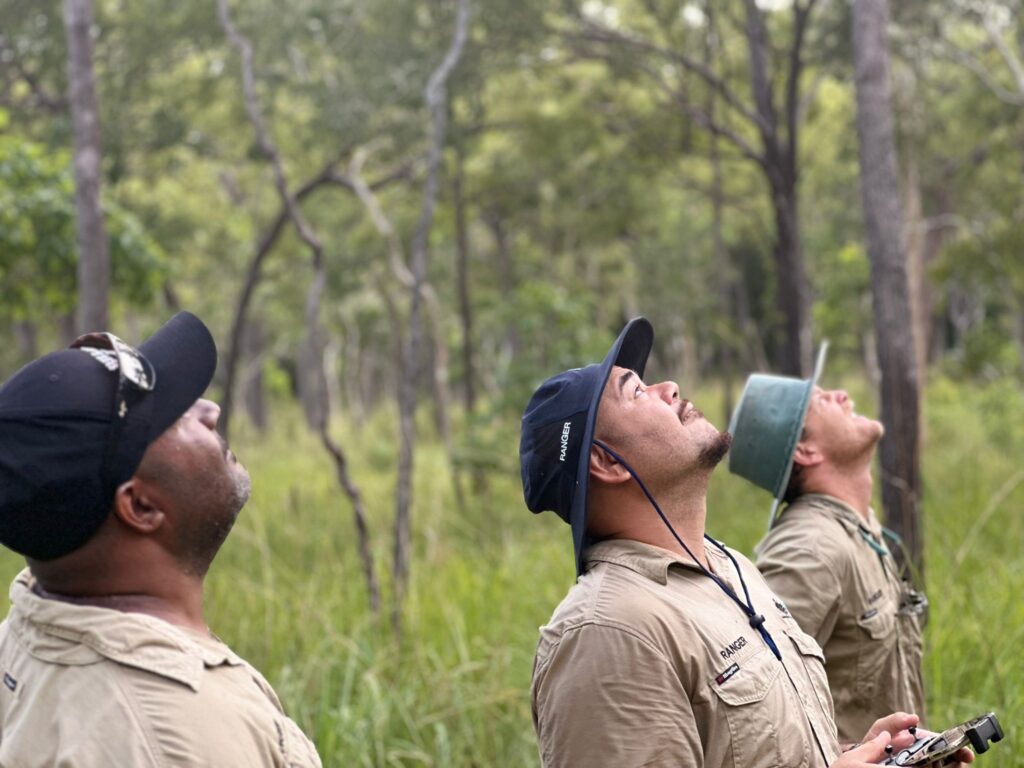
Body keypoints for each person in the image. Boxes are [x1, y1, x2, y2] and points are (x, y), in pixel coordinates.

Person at [519, 318, 967, 768]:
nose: (670, 387)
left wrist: (859, 756)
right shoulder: (609, 633)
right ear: (605, 461)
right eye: (635, 392)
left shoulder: (731, 569)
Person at [0, 312, 322, 766]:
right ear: (141, 507)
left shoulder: (19, 643)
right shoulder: (187, 735)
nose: (210, 411)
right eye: (173, 415)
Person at [727, 347, 927, 745]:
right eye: (821, 400)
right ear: (805, 450)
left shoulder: (858, 526)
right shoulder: (809, 549)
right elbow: (757, 714)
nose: (841, 395)